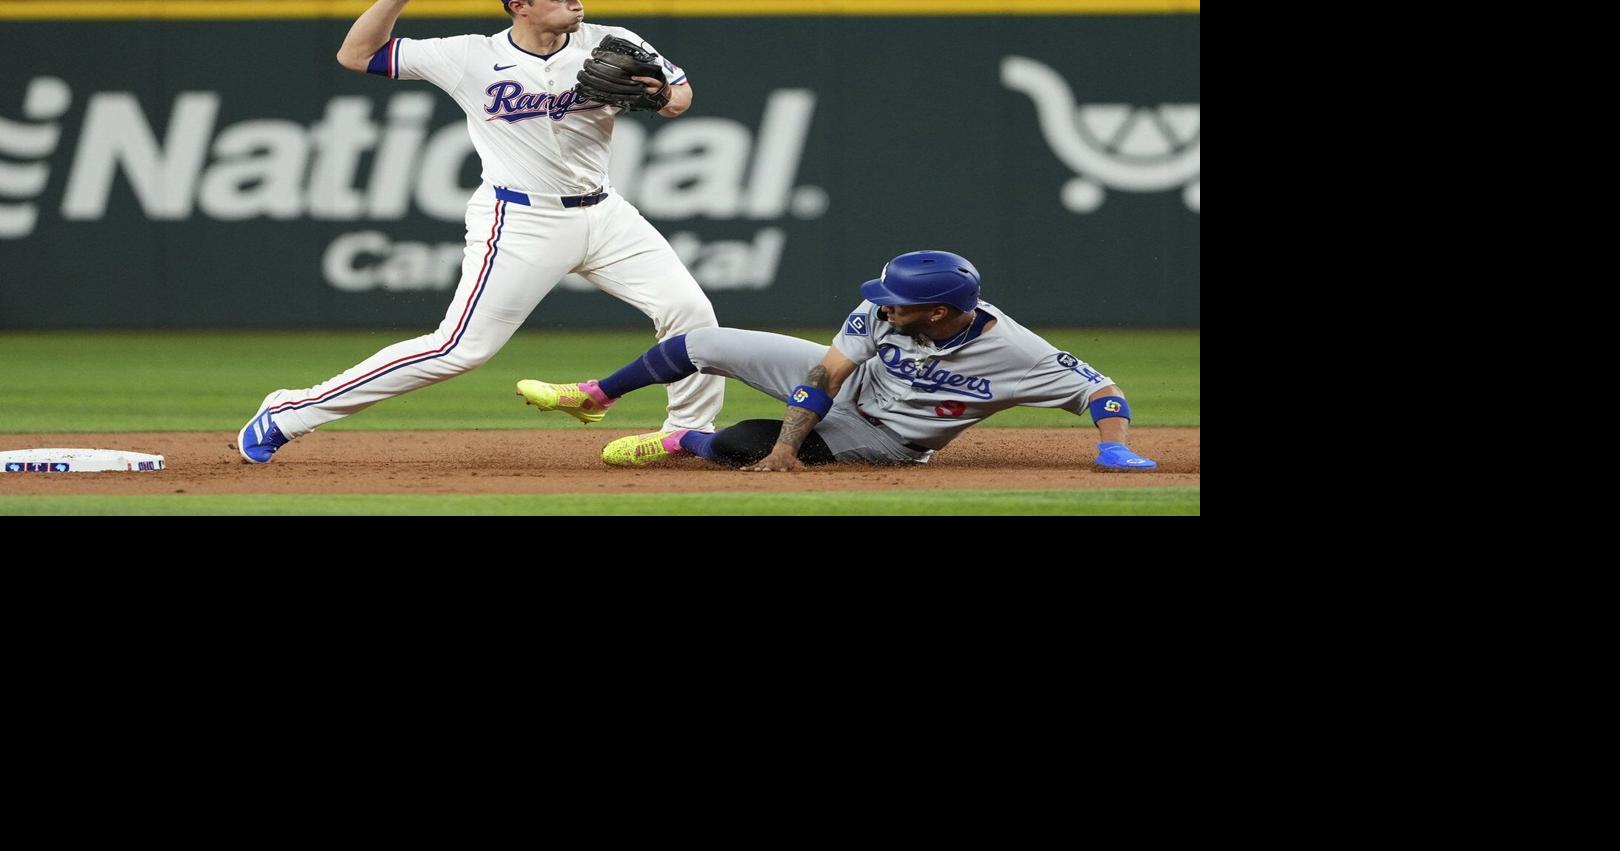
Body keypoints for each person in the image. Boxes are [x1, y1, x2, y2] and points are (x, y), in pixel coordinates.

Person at [237, 0, 723, 463]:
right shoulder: (469, 55)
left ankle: (685, 430)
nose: (576, 3)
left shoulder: (611, 40)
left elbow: (678, 98)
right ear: (519, 6)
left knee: (690, 311)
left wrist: (659, 94)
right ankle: (289, 412)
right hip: (521, 219)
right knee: (459, 350)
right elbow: (356, 55)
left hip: (606, 212)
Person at [514, 250, 1159, 472]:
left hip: (886, 438)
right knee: (700, 342)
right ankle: (597, 396)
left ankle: (686, 441)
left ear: (939, 311)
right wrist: (791, 444)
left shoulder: (1016, 352)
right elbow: (825, 375)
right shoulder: (884, 315)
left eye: (899, 302)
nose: (883, 307)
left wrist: (1113, 447)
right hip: (851, 390)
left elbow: (1100, 391)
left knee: (739, 442)